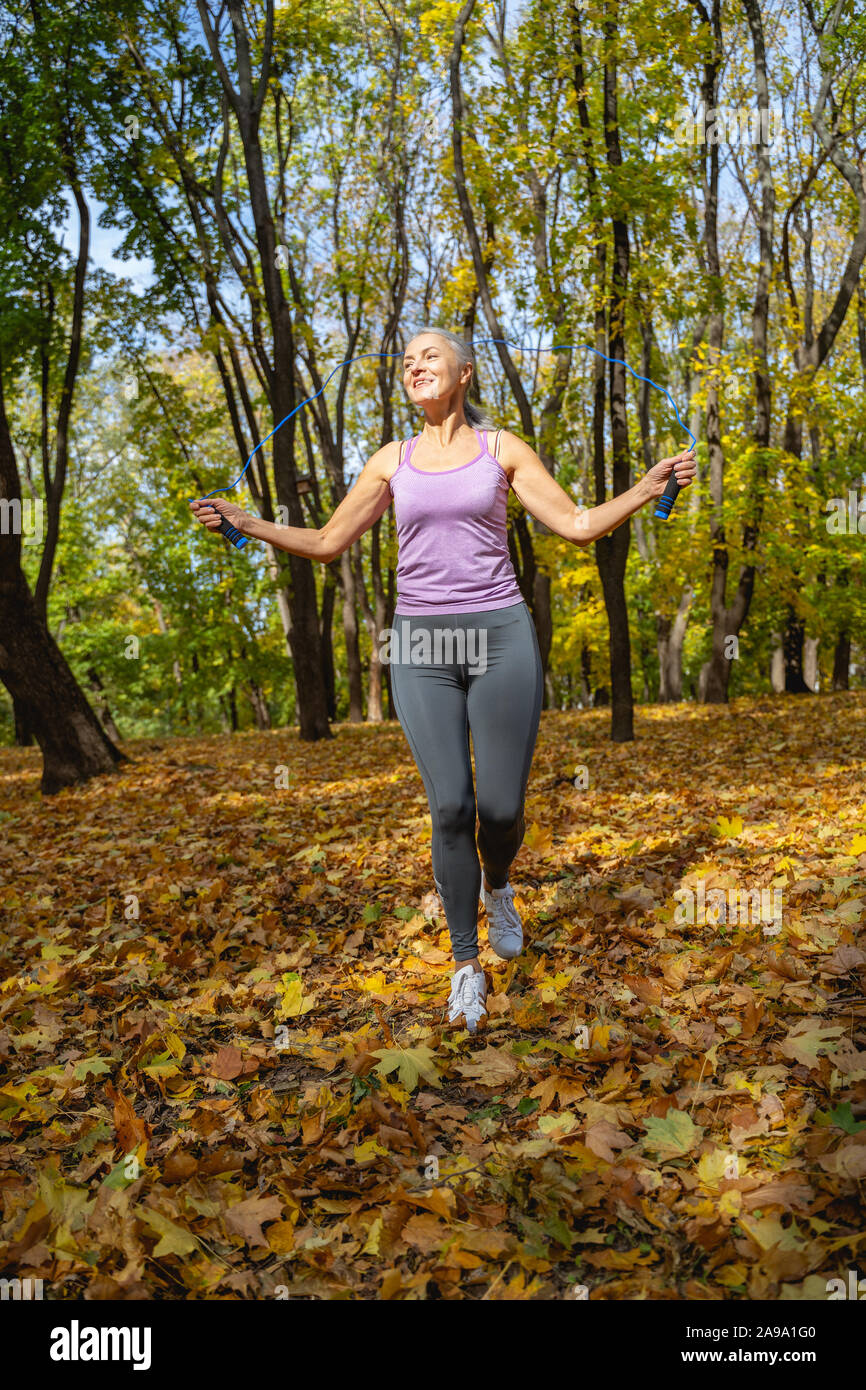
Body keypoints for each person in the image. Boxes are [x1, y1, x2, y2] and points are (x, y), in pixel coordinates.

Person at [190, 327, 697, 1032]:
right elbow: (327, 543)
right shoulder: (390, 461)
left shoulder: (502, 448)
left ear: (464, 372)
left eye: (430, 355)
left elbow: (578, 525)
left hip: (501, 638)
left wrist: (645, 489)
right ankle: (466, 966)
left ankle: (500, 886)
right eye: (407, 360)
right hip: (423, 644)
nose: (414, 364)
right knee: (451, 806)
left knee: (501, 811)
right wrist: (247, 521)